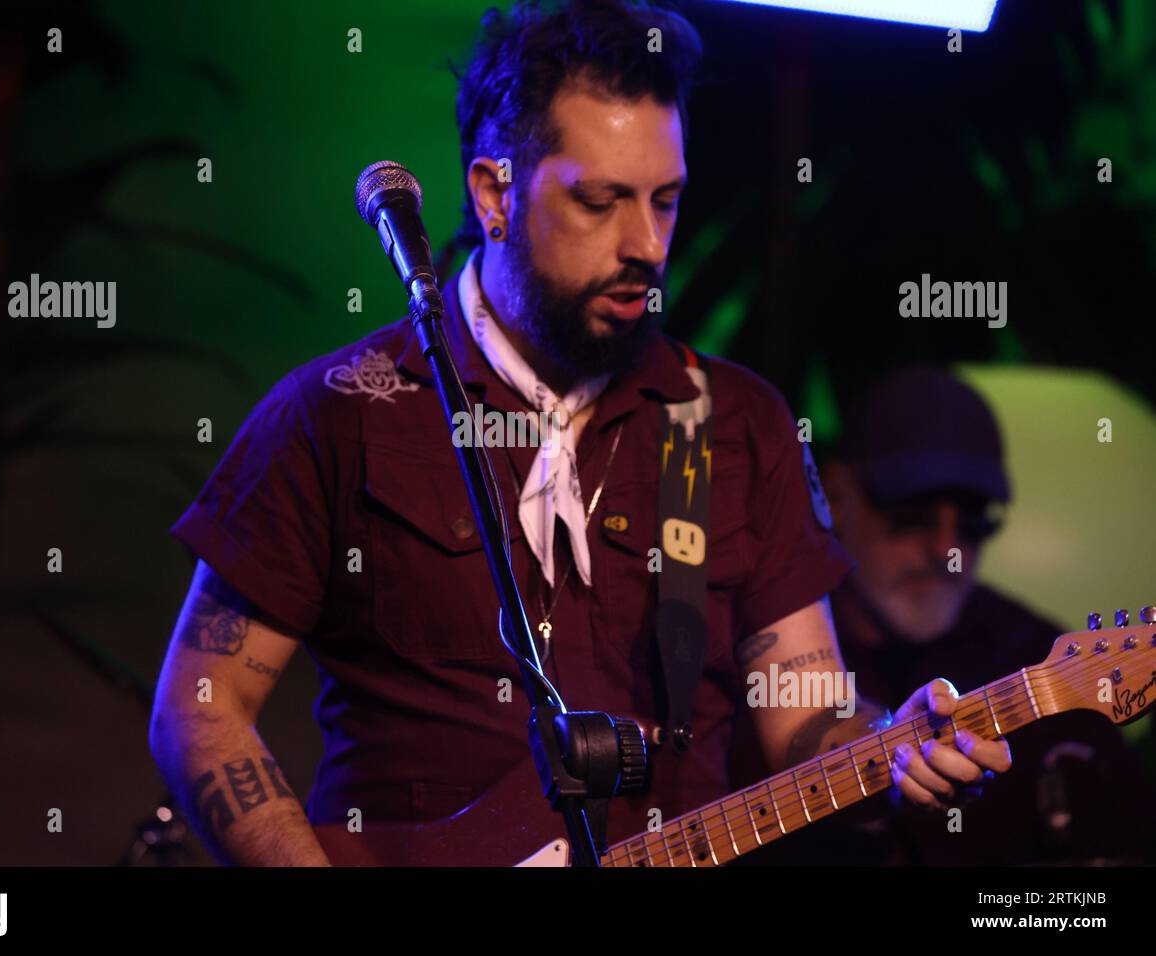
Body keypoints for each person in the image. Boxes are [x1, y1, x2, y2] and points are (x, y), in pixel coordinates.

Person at [148, 0, 1012, 867]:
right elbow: (201, 704)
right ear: (495, 193)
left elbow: (805, 718)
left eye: (666, 201)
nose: (647, 244)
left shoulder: (737, 426)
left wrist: (889, 747)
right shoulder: (341, 411)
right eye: (601, 201)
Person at [730, 366, 1156, 865]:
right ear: (837, 496)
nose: (944, 547)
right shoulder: (753, 649)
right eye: (913, 511)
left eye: (974, 518)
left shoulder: (1046, 660)